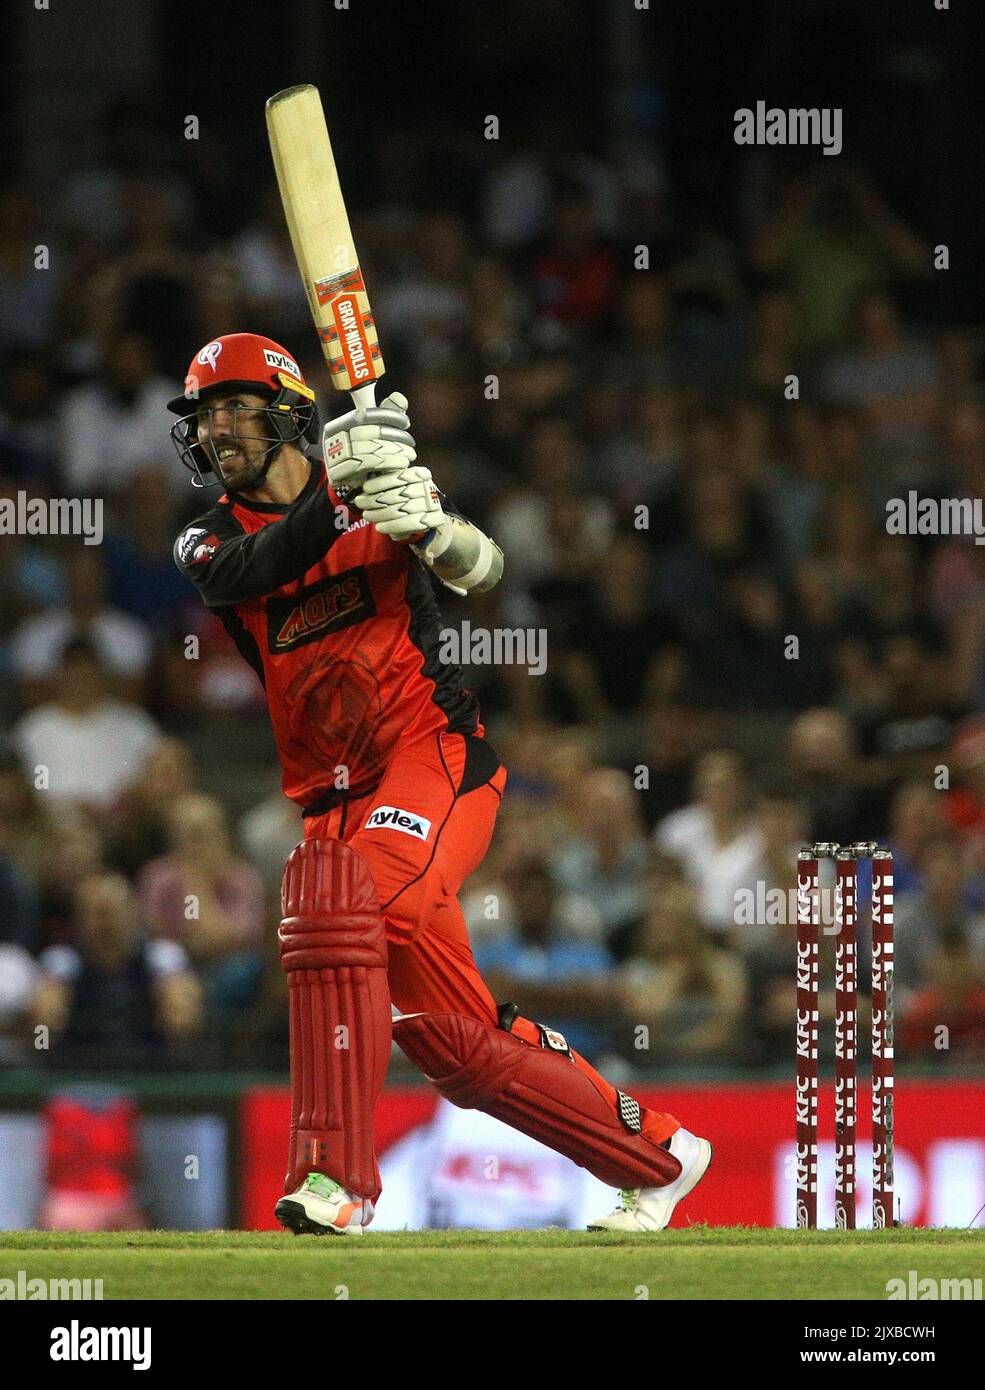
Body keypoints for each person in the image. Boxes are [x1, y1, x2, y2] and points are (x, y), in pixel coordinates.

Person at [168, 331, 711, 1234]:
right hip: (329, 803)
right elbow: (255, 570)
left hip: (432, 760)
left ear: (287, 412)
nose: (218, 431)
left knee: (345, 915)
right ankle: (656, 1157)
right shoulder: (208, 538)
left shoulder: (373, 489)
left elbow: (482, 569)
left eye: (234, 409)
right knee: (454, 1045)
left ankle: (336, 1181)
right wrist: (346, 488)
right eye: (205, 416)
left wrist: (426, 521)